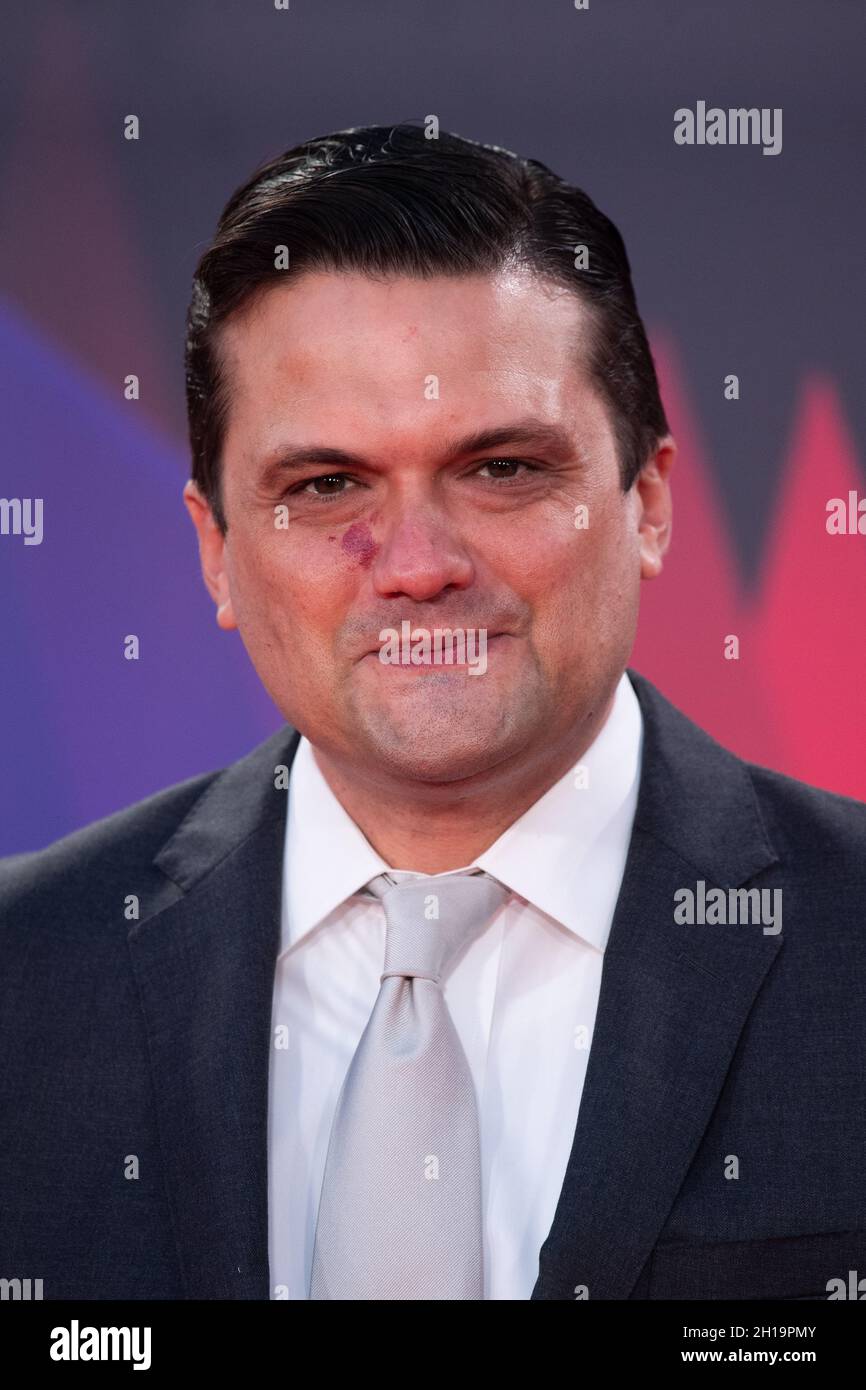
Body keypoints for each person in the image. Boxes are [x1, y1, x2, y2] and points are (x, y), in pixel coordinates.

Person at [1, 123, 864, 1301]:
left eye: (501, 468)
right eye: (325, 486)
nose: (416, 563)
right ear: (213, 552)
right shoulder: (23, 974)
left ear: (647, 502)